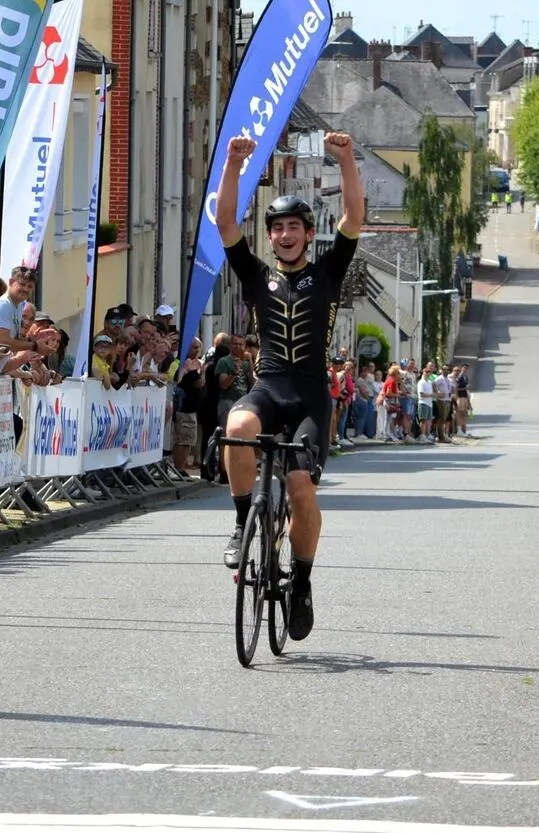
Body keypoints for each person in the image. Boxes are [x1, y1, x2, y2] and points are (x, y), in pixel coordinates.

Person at [216, 130, 363, 641]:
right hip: (269, 386)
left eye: (293, 227)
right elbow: (226, 222)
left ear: (306, 231)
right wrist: (234, 165)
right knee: (236, 425)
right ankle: (241, 523)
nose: (284, 235)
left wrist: (345, 160)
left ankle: (300, 583)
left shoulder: (327, 272)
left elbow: (354, 220)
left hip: (309, 396)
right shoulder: (257, 276)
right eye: (276, 228)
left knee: (301, 491)